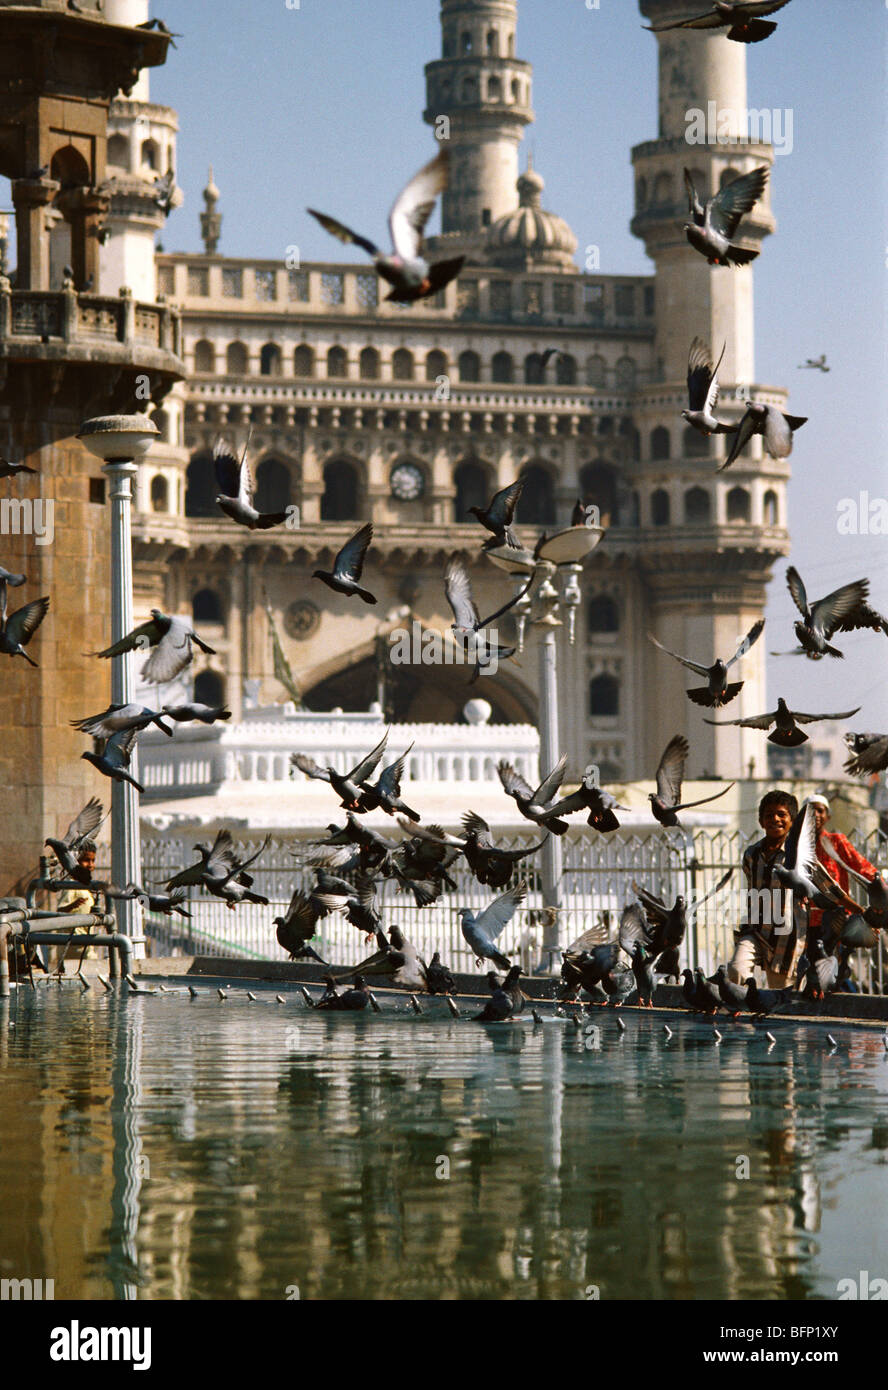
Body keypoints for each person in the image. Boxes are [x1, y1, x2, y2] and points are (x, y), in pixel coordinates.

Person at [728, 790, 807, 989]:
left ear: (792, 821)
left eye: (782, 814)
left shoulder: (799, 856)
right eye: (769, 815)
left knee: (780, 995)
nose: (775, 819)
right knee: (736, 969)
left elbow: (825, 887)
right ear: (761, 821)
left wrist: (857, 910)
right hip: (756, 930)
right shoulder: (751, 854)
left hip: (786, 936)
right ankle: (740, 1015)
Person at [806, 794, 878, 934]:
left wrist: (880, 887)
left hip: (837, 918)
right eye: (810, 810)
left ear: (828, 816)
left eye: (820, 810)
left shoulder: (836, 842)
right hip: (806, 919)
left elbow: (862, 866)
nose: (815, 814)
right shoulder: (797, 846)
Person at [55, 841, 99, 968]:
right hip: (73, 951)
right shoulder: (71, 885)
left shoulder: (83, 886)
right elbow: (59, 911)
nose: (90, 865)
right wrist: (71, 906)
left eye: (93, 860)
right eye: (86, 860)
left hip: (85, 947)